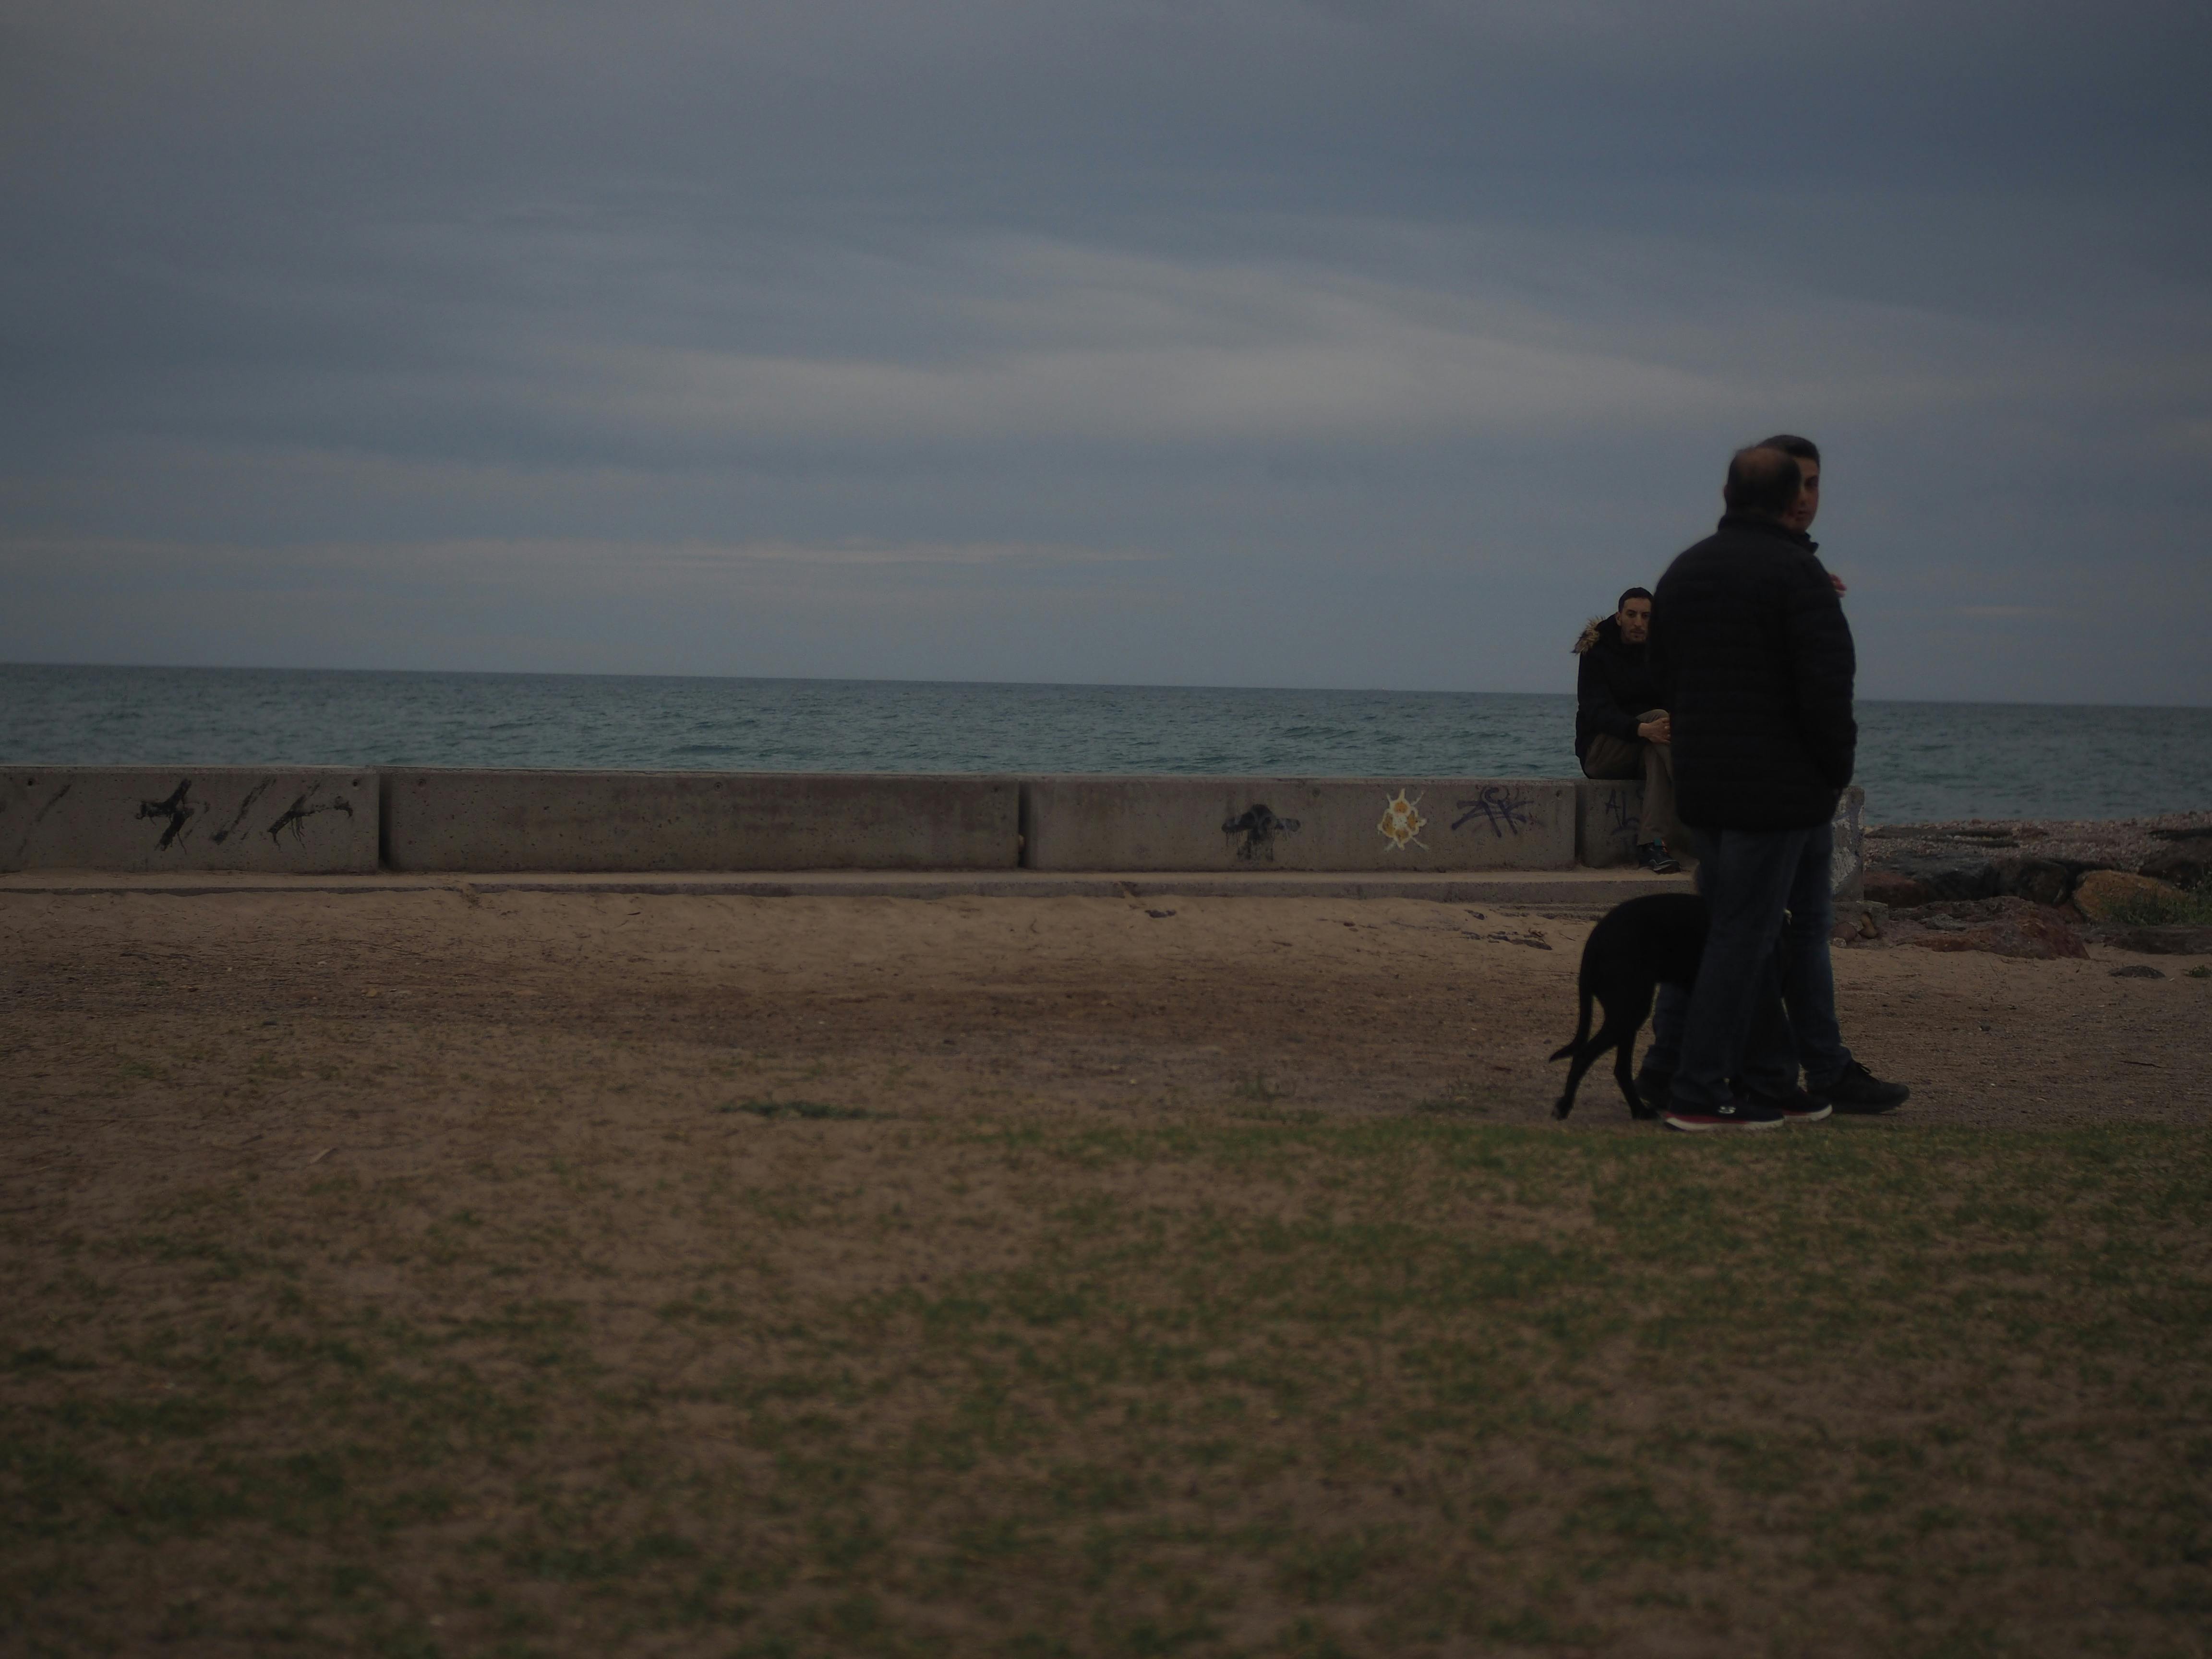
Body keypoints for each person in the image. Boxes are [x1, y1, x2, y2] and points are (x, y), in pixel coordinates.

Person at [1644, 443, 1910, 1130]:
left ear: (1727, 494)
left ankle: (1755, 1074)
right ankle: (1697, 1089)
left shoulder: (1683, 571)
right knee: (1743, 937)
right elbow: (1828, 693)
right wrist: (1831, 772)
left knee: (1739, 931)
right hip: (1777, 792)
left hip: (1706, 788)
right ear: (1789, 493)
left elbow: (1666, 679)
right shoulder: (1799, 577)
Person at [1573, 587, 1683, 873]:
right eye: (1632, 615)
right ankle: (1706, 809)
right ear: (1619, 617)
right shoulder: (1597, 650)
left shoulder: (1662, 653)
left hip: (1646, 746)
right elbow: (1595, 710)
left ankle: (1653, 847)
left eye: (1646, 616)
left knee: (1656, 752)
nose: (1639, 623)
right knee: (1661, 719)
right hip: (1601, 752)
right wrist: (1641, 729)